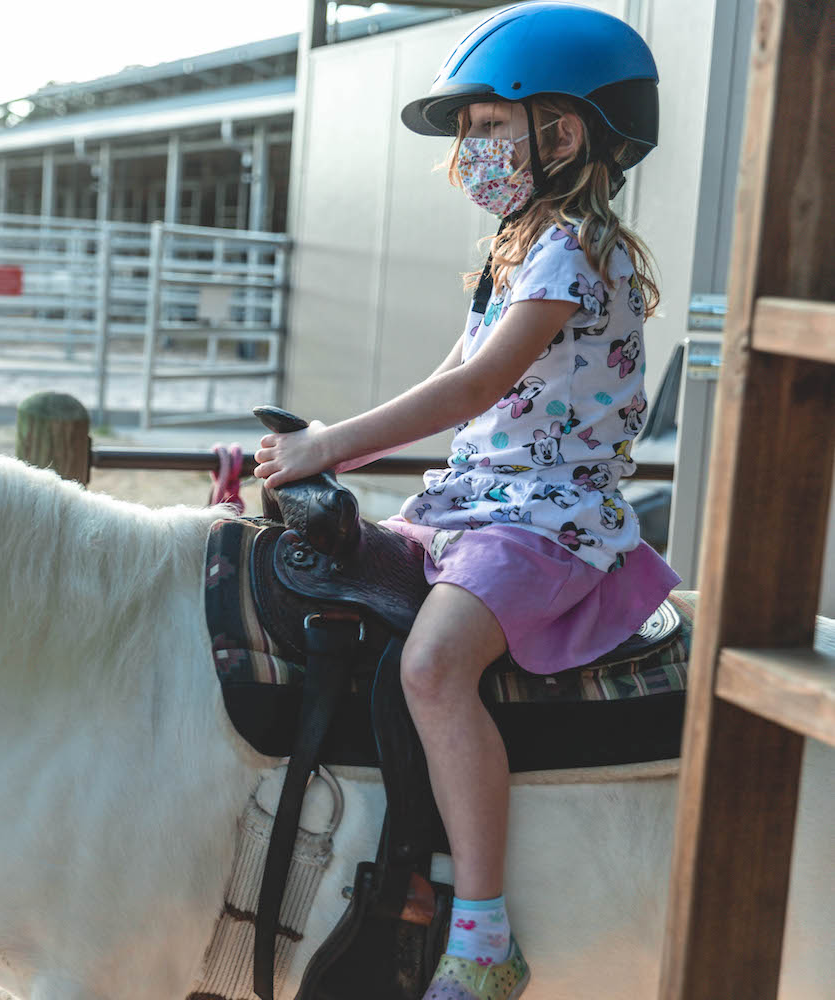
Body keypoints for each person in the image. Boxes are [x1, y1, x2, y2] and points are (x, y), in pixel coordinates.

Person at [253, 5, 679, 998]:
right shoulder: (513, 251)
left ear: (562, 134)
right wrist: (314, 454)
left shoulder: (571, 250)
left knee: (437, 664)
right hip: (476, 502)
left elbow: (472, 390)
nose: (469, 149)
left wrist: (331, 444)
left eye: (487, 127)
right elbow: (446, 382)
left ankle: (484, 937)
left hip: (546, 519)